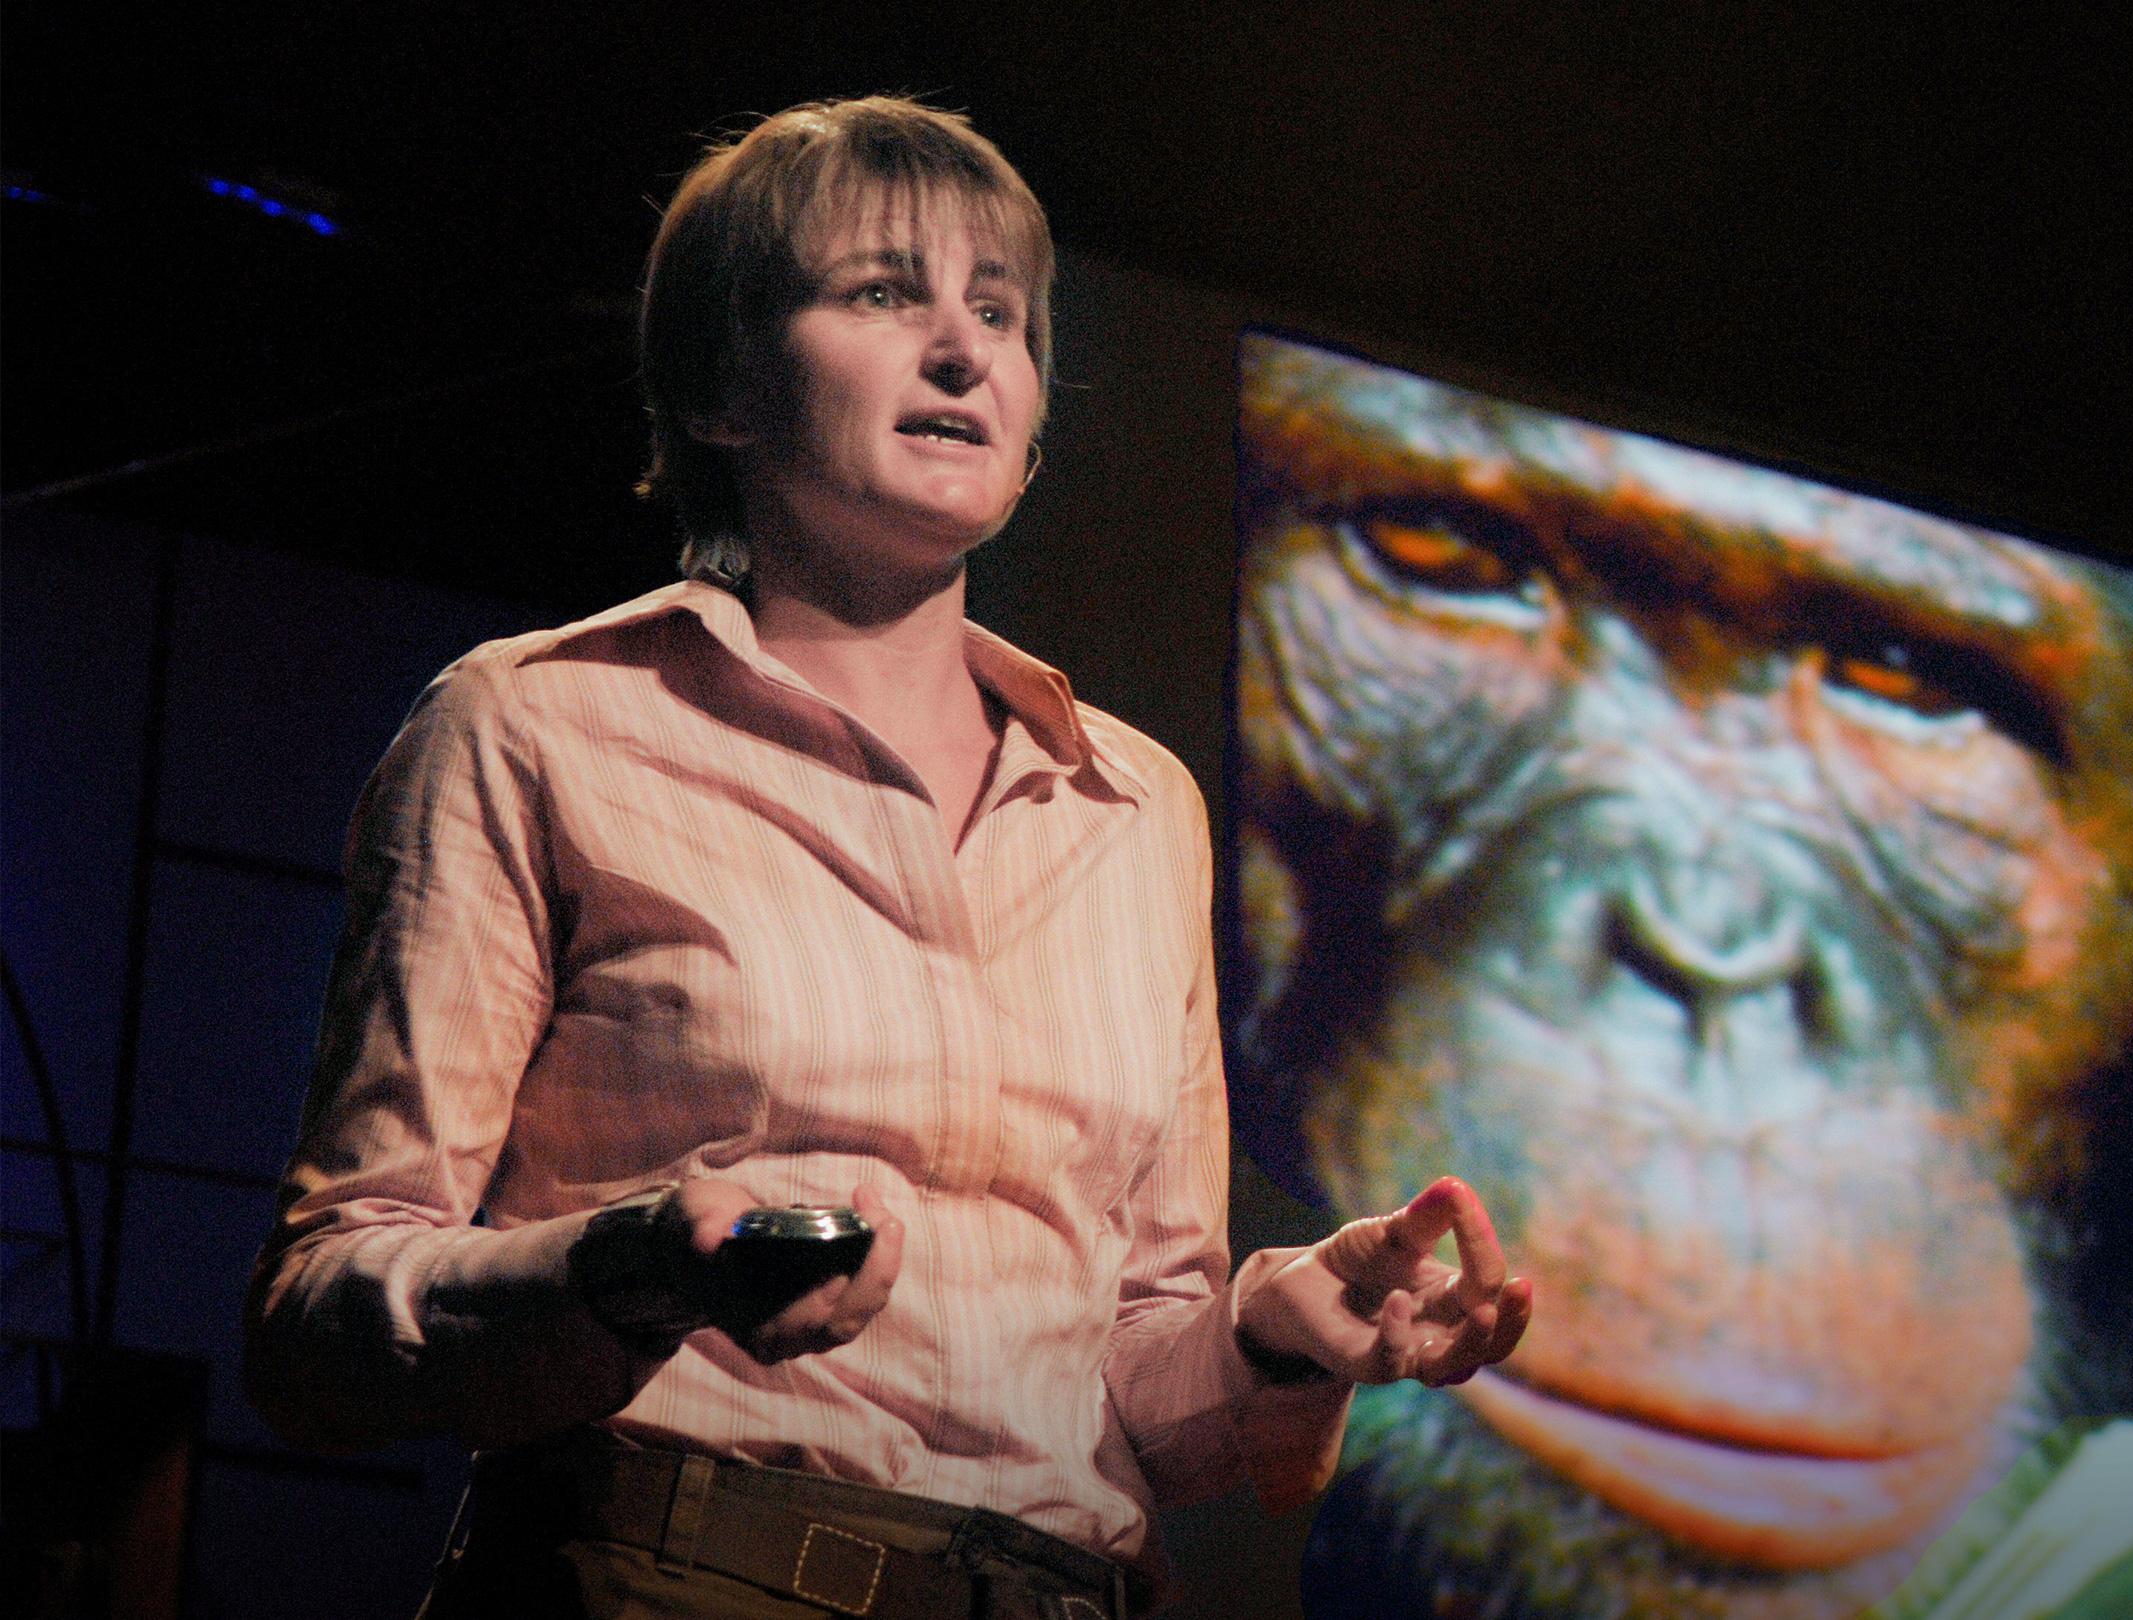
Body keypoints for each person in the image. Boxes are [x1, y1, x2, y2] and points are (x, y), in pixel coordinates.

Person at [242, 95, 1530, 1619]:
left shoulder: (1137, 804)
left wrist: (1272, 1335)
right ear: (726, 384)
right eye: (880, 294)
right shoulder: (540, 727)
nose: (964, 350)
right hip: (676, 1578)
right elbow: (321, 1320)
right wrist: (638, 1269)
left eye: (1002, 314)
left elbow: (1131, 1381)